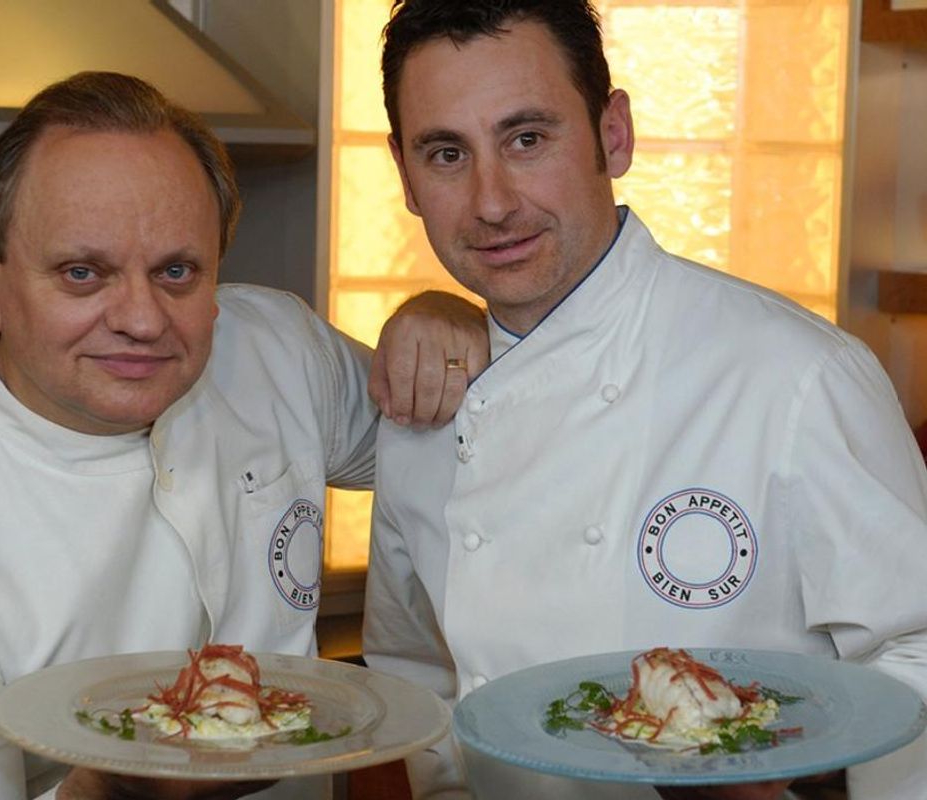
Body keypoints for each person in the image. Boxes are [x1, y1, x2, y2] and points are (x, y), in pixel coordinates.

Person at [0, 72, 486, 800]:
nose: (141, 318)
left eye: (176, 271)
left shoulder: (277, 348)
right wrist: (107, 791)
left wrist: (447, 320)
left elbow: (462, 437)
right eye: (82, 273)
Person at [361, 3, 927, 800]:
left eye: (528, 139)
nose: (491, 202)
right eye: (447, 153)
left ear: (613, 134)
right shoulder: (421, 398)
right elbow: (415, 679)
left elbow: (917, 653)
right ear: (405, 175)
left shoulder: (796, 375)